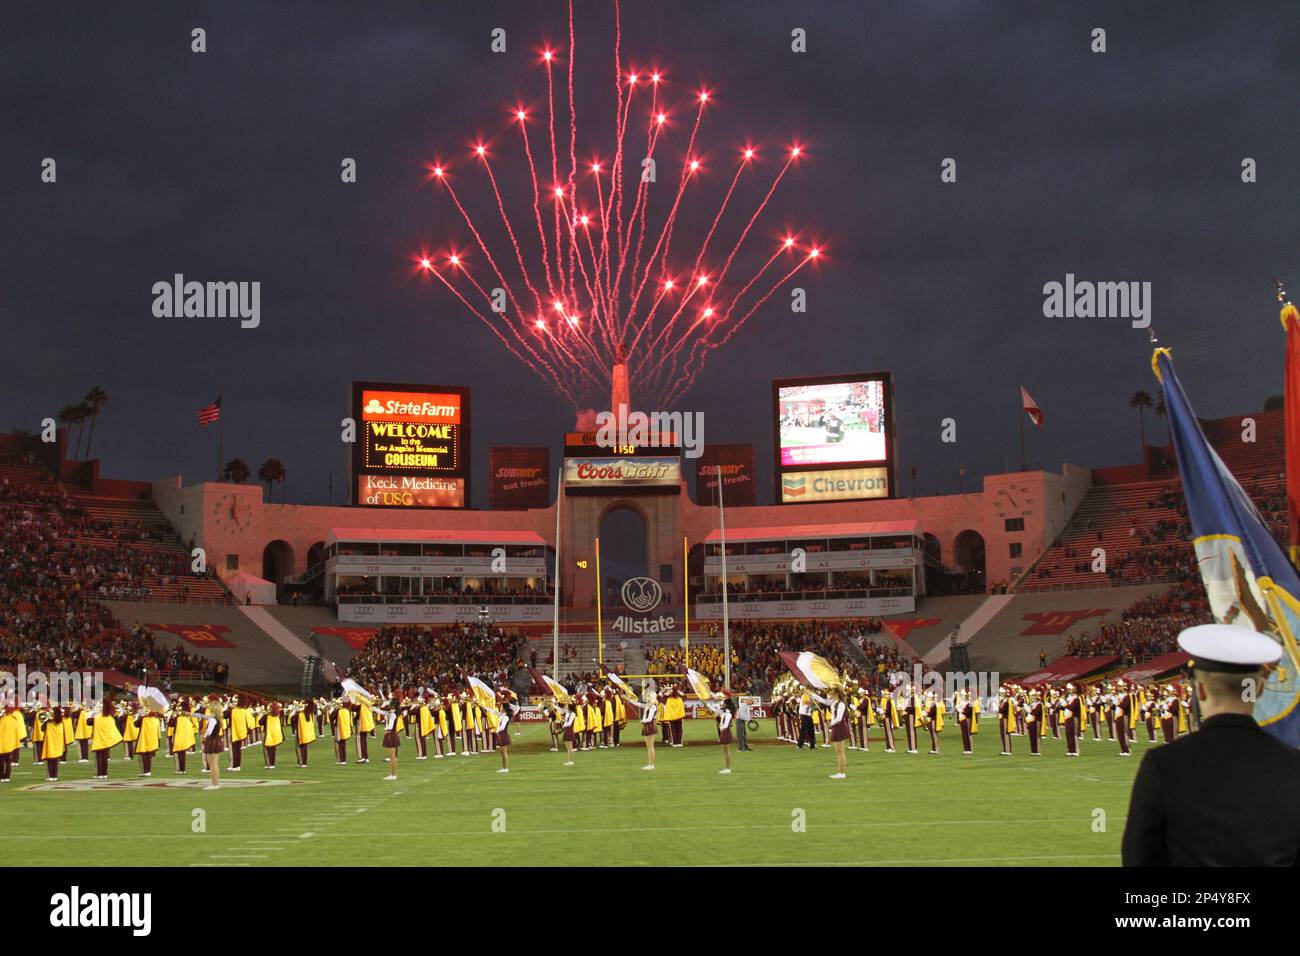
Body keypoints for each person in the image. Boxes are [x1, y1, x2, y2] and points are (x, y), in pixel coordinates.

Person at [1122, 624, 1300, 866]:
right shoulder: (1293, 764)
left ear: (1201, 690)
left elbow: (1140, 858)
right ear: (1257, 689)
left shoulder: (1163, 763)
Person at [812, 686, 850, 779]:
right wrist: (811, 694)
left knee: (840, 752)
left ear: (836, 694)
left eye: (831, 692)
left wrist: (830, 723)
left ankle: (842, 773)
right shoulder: (834, 702)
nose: (829, 694)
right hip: (836, 726)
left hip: (839, 727)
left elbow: (839, 718)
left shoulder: (841, 704)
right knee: (838, 751)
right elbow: (823, 701)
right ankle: (841, 772)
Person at [373, 696, 403, 781]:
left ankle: (393, 775)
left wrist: (386, 727)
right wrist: (371, 706)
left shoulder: (392, 714)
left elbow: (390, 726)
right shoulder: (392, 713)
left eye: (390, 704)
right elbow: (380, 711)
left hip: (391, 735)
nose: (389, 705)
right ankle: (392, 774)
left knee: (392, 757)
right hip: (391, 734)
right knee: (392, 757)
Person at [199, 697, 224, 790]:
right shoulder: (216, 718)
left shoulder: (213, 719)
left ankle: (214, 784)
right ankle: (214, 783)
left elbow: (209, 731)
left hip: (212, 741)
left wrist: (204, 738)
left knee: (212, 764)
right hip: (215, 740)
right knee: (214, 763)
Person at [712, 695, 736, 774]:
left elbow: (726, 725)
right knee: (725, 752)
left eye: (724, 704)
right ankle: (727, 768)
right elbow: (716, 710)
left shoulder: (728, 714)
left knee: (726, 752)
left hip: (726, 733)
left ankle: (728, 769)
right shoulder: (725, 713)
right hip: (724, 733)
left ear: (727, 705)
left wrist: (721, 727)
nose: (722, 705)